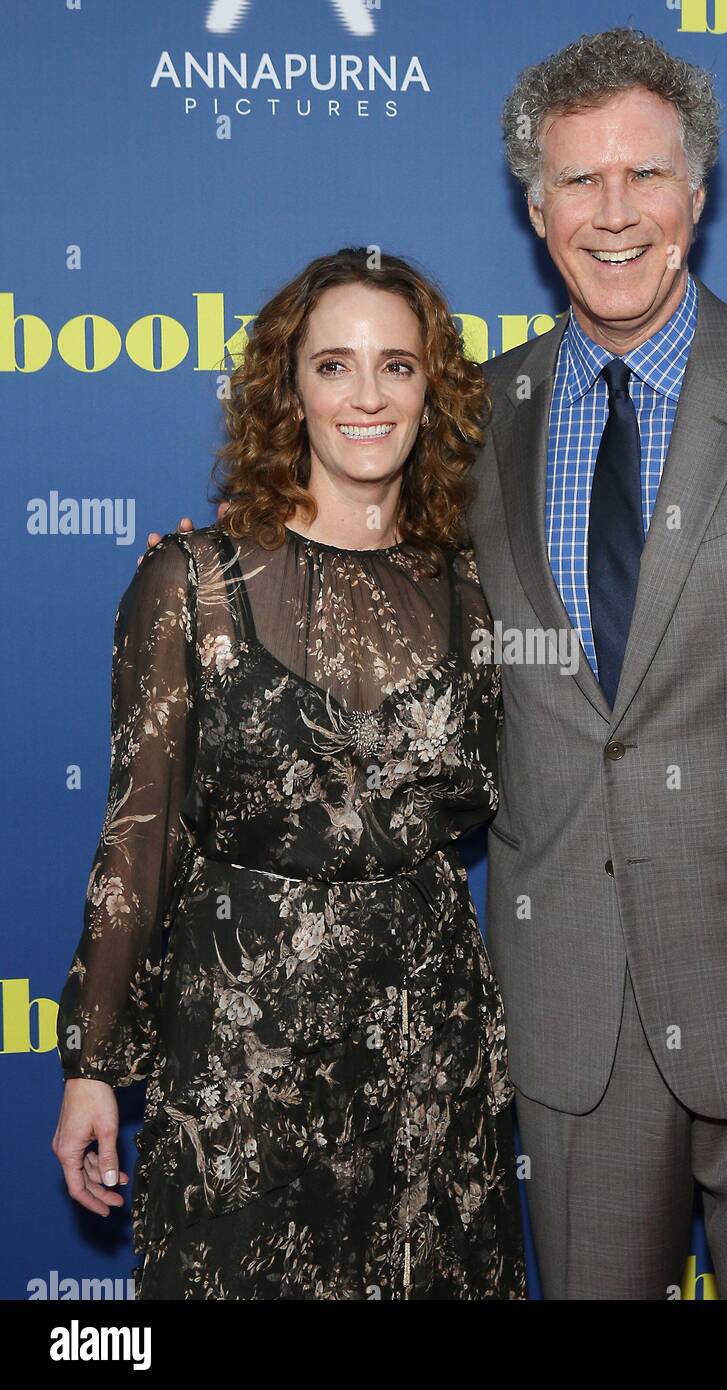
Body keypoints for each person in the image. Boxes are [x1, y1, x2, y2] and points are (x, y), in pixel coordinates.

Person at [146, 27, 727, 1301]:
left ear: (698, 191)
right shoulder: (478, 420)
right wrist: (213, 571)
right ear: (537, 211)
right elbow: (347, 532)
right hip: (565, 1024)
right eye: (579, 181)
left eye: (644, 175)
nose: (614, 212)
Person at [52, 247, 527, 1300]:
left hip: (428, 1046)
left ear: (431, 393)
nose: (366, 396)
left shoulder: (476, 588)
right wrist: (92, 1067)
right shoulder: (189, 583)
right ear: (287, 390)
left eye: (397, 367)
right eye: (334, 366)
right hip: (239, 1052)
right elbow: (140, 833)